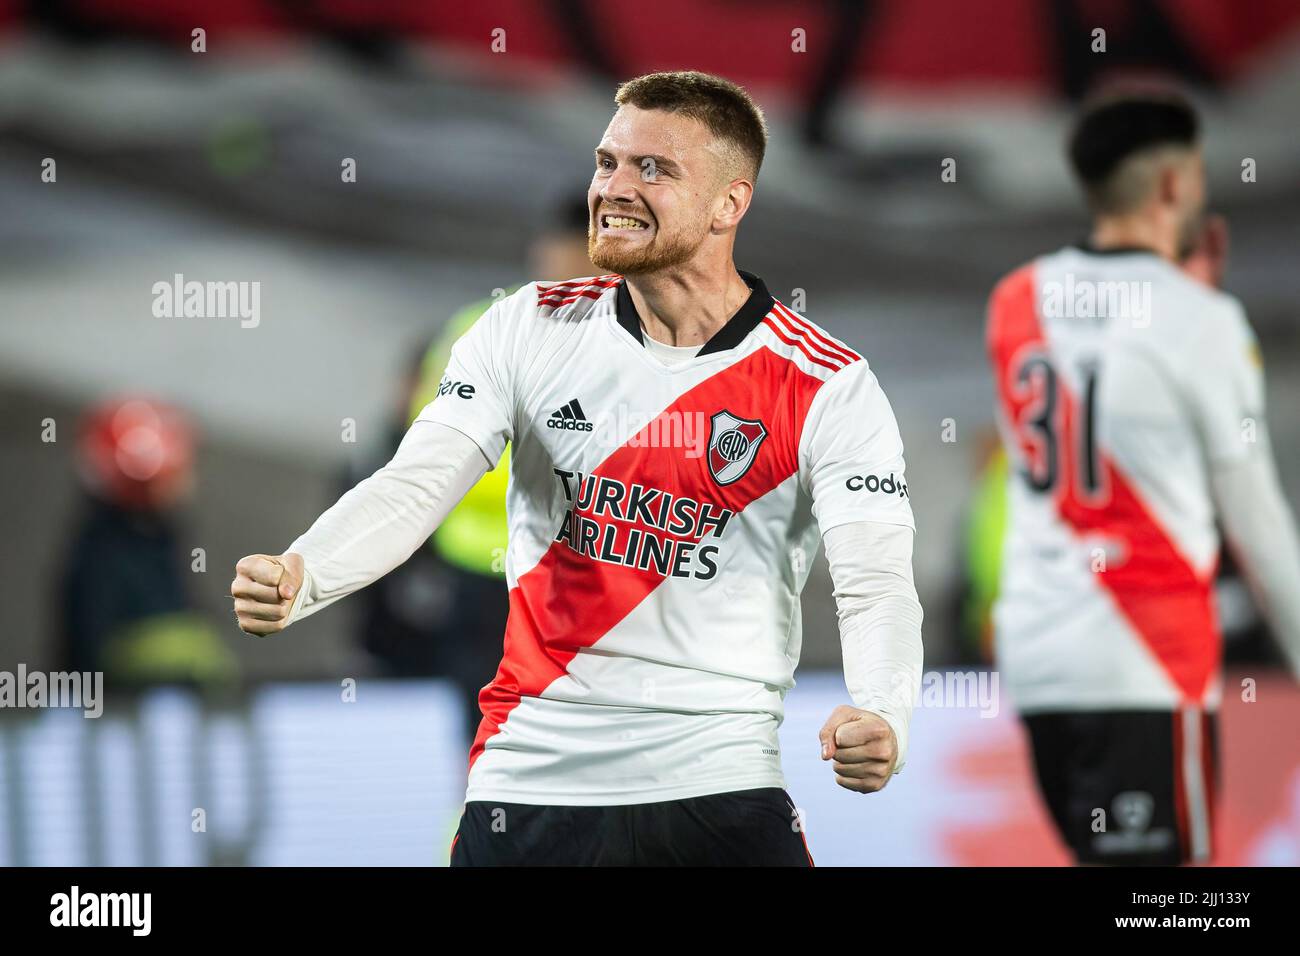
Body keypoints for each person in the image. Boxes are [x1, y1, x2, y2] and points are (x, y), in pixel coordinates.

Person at [232, 70, 923, 866]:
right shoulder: (525, 327)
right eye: (607, 163)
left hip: (720, 791)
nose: (614, 189)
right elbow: (417, 481)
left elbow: (875, 585)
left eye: (652, 169)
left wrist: (883, 713)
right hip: (530, 786)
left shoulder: (827, 383)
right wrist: (305, 569)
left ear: (730, 204)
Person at [985, 91, 1300, 865]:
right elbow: (1256, 522)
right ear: (1173, 186)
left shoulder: (1014, 299)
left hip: (1037, 658)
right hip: (1145, 660)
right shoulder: (1201, 319)